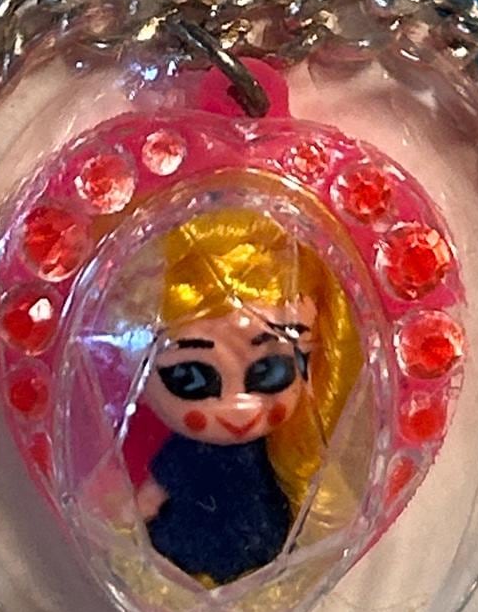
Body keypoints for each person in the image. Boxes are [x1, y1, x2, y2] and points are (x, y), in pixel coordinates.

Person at [133, 210, 360, 587]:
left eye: (271, 372)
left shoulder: (282, 458)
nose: (237, 409)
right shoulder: (186, 452)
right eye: (192, 379)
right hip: (189, 539)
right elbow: (150, 496)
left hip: (263, 541)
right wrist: (129, 520)